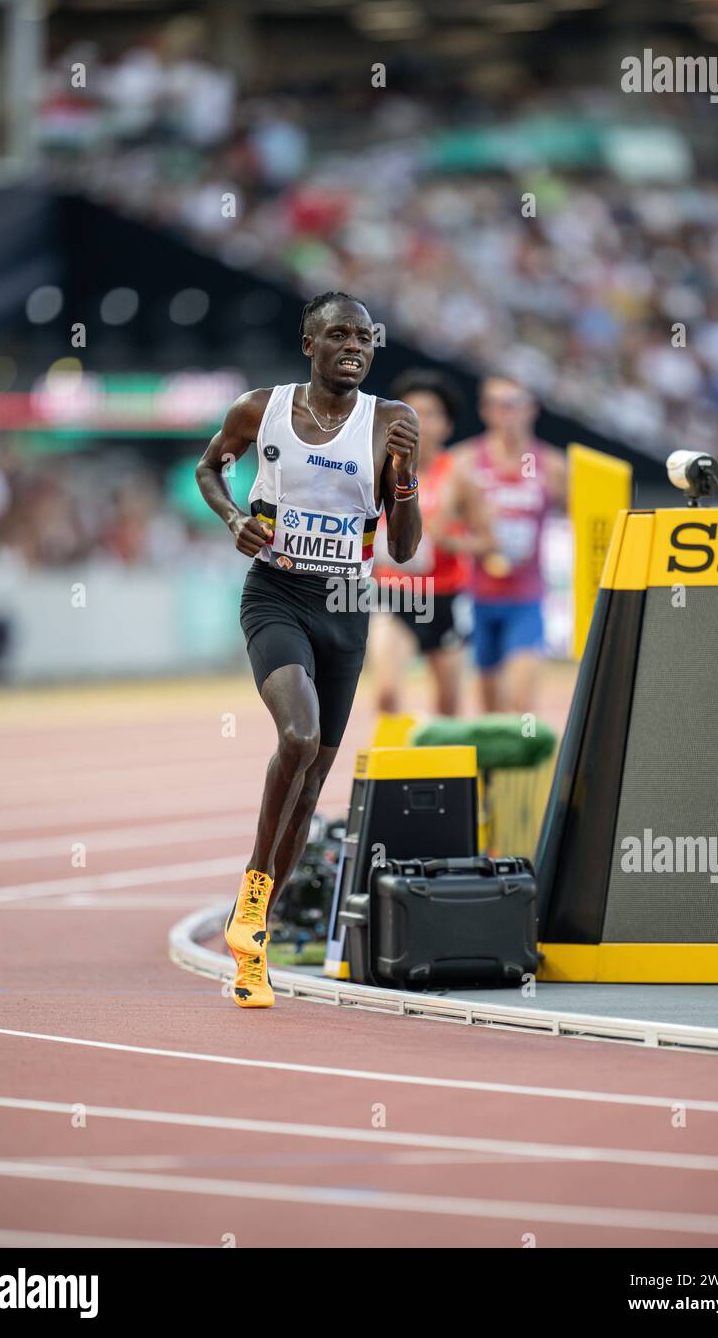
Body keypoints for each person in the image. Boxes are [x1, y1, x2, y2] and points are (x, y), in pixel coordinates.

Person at [195, 292, 420, 1007]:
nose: (354, 345)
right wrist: (234, 517)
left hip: (347, 608)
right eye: (339, 334)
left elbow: (405, 547)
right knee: (299, 734)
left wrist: (408, 479)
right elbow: (210, 469)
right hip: (277, 595)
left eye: (365, 336)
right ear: (309, 343)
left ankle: (250, 932)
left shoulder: (391, 421)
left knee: (314, 784)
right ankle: (255, 903)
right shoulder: (258, 409)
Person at [369, 369, 487, 717]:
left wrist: (450, 540)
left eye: (431, 413)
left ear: (447, 425)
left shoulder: (459, 474)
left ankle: (439, 769)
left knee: (448, 704)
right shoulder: (377, 468)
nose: (419, 421)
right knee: (387, 694)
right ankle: (393, 767)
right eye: (411, 411)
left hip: (445, 598)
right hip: (392, 594)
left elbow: (489, 541)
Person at [445, 375, 565, 715]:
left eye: (515, 403)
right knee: (491, 708)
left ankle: (531, 766)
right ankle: (494, 769)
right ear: (485, 410)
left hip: (527, 599)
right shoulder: (464, 461)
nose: (507, 413)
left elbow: (588, 522)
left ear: (532, 409)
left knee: (520, 702)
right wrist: (477, 544)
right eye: (499, 404)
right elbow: (437, 530)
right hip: (477, 598)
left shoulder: (554, 466)